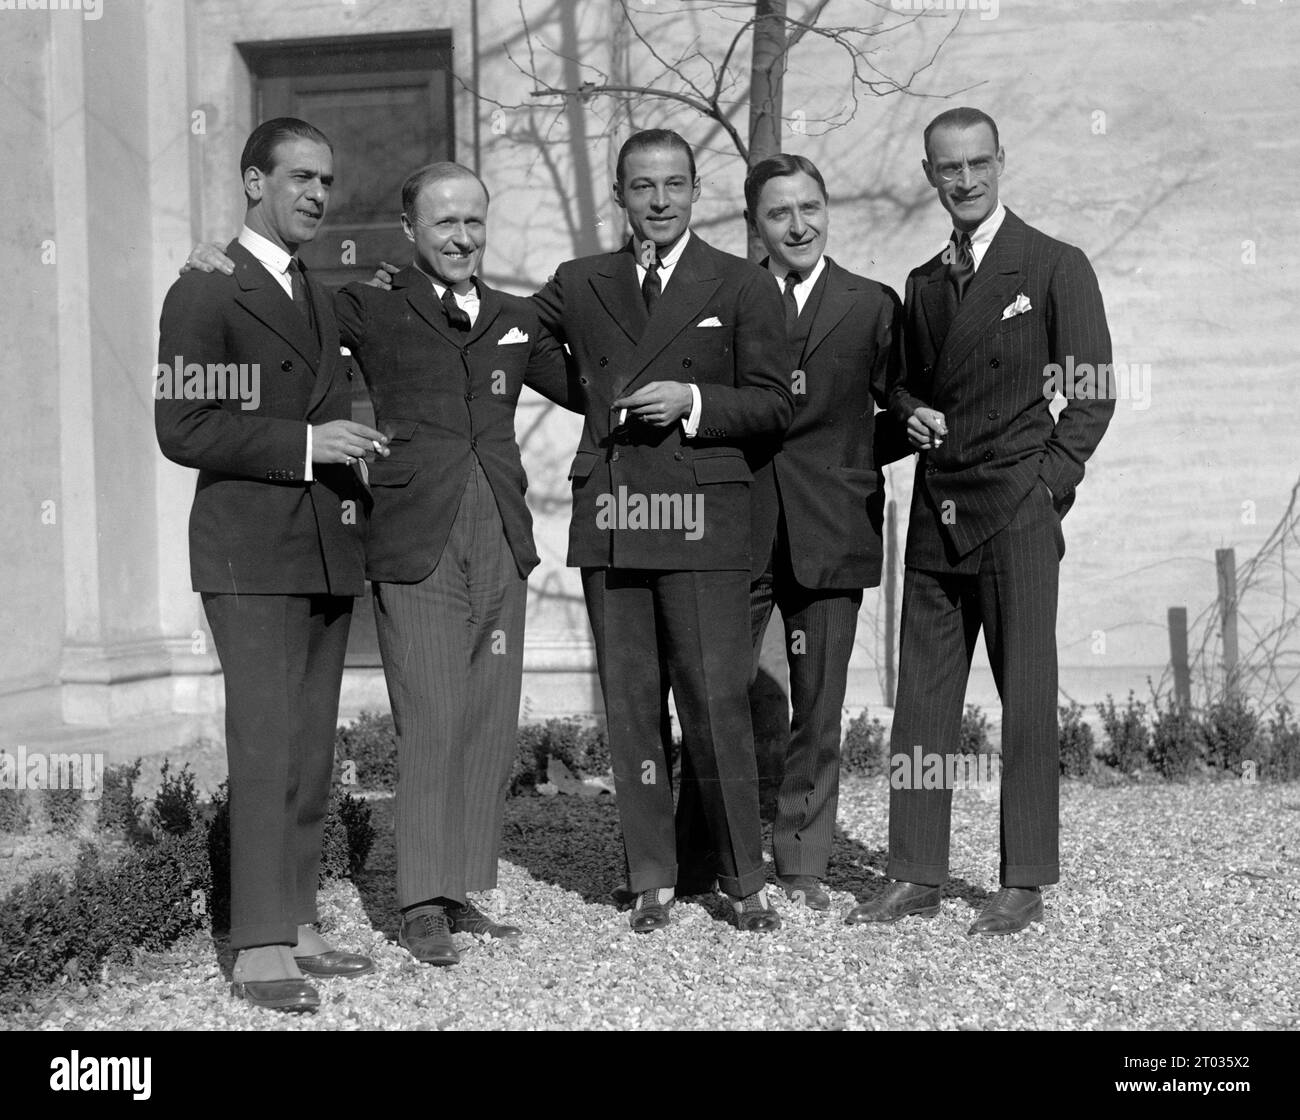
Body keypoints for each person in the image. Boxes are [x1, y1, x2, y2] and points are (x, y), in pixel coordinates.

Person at [182, 162, 574, 967]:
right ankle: (420, 902)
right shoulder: (368, 303)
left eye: (473, 221)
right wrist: (208, 264)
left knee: (487, 718)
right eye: (443, 225)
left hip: (500, 529)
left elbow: (590, 381)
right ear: (411, 232)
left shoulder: (513, 316)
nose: (461, 237)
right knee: (431, 718)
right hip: (412, 532)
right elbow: (280, 320)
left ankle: (460, 886)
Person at [847, 108, 1115, 934]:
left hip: (1017, 511)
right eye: (947, 168)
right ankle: (915, 872)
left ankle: (1024, 879)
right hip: (938, 507)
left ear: (1002, 162)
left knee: (1026, 694)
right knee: (924, 701)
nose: (963, 181)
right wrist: (912, 408)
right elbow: (902, 387)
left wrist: (1049, 486)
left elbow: (1093, 388)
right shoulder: (924, 281)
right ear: (930, 175)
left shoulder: (1053, 263)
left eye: (977, 165)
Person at [530, 129, 794, 933]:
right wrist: (596, 390)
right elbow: (510, 333)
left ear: (695, 192)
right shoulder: (581, 281)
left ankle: (742, 879)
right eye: (642, 186)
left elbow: (776, 403)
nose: (659, 201)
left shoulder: (741, 283)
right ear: (620, 196)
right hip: (614, 513)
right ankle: (652, 877)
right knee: (633, 706)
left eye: (674, 184)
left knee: (717, 703)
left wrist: (694, 402)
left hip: (702, 519)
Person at [156, 117, 385, 1013]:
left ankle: (294, 917)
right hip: (248, 553)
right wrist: (305, 442)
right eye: (298, 178)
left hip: (326, 546)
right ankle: (255, 942)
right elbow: (184, 428)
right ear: (254, 182)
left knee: (309, 748)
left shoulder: (320, 293)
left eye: (326, 181)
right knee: (263, 744)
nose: (317, 196)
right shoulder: (204, 291)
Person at [672, 154, 906, 912]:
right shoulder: (727, 300)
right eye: (780, 213)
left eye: (810, 208)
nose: (798, 225)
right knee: (714, 693)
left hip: (833, 525)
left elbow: (897, 403)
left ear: (826, 210)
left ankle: (803, 857)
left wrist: (855, 457)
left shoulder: (872, 305)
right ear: (756, 225)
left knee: (819, 702)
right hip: (736, 527)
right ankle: (702, 857)